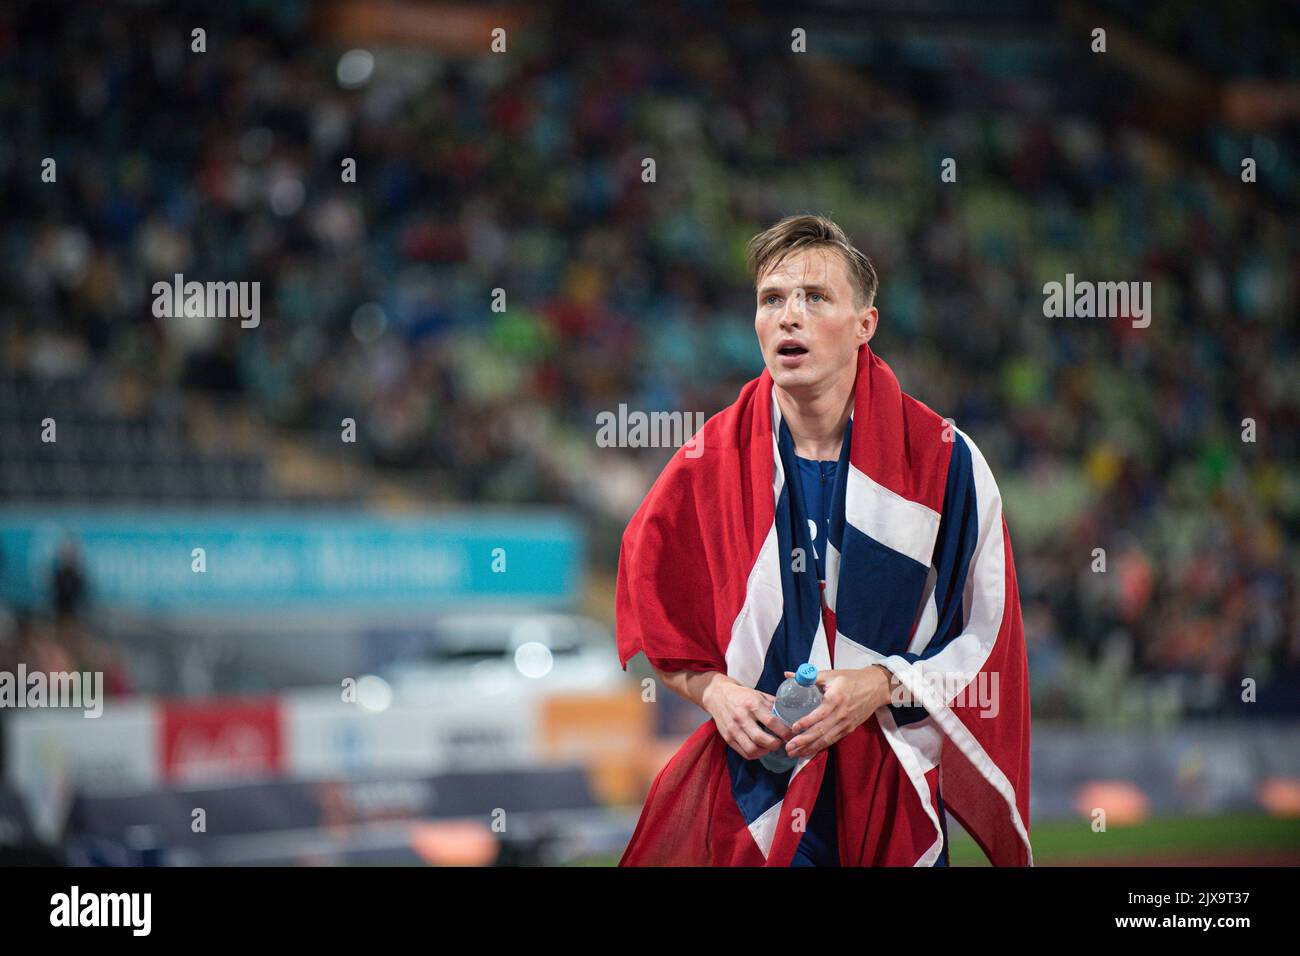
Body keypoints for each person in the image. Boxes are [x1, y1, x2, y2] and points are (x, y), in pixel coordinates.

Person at [616, 214, 1032, 866]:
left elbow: (988, 639)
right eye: (772, 299)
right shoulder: (705, 464)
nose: (789, 316)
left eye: (815, 298)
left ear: (865, 325)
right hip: (756, 793)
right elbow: (652, 605)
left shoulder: (944, 462)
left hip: (891, 788)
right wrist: (716, 694)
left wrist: (881, 683)